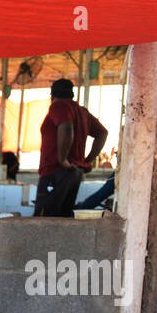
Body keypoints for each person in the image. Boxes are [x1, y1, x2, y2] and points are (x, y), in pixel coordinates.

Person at [35, 78, 107, 217]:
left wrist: (63, 160)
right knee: (63, 217)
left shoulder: (59, 106)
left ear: (52, 95)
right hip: (74, 172)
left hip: (56, 171)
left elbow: (66, 127)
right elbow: (102, 133)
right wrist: (87, 160)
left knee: (44, 220)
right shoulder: (82, 112)